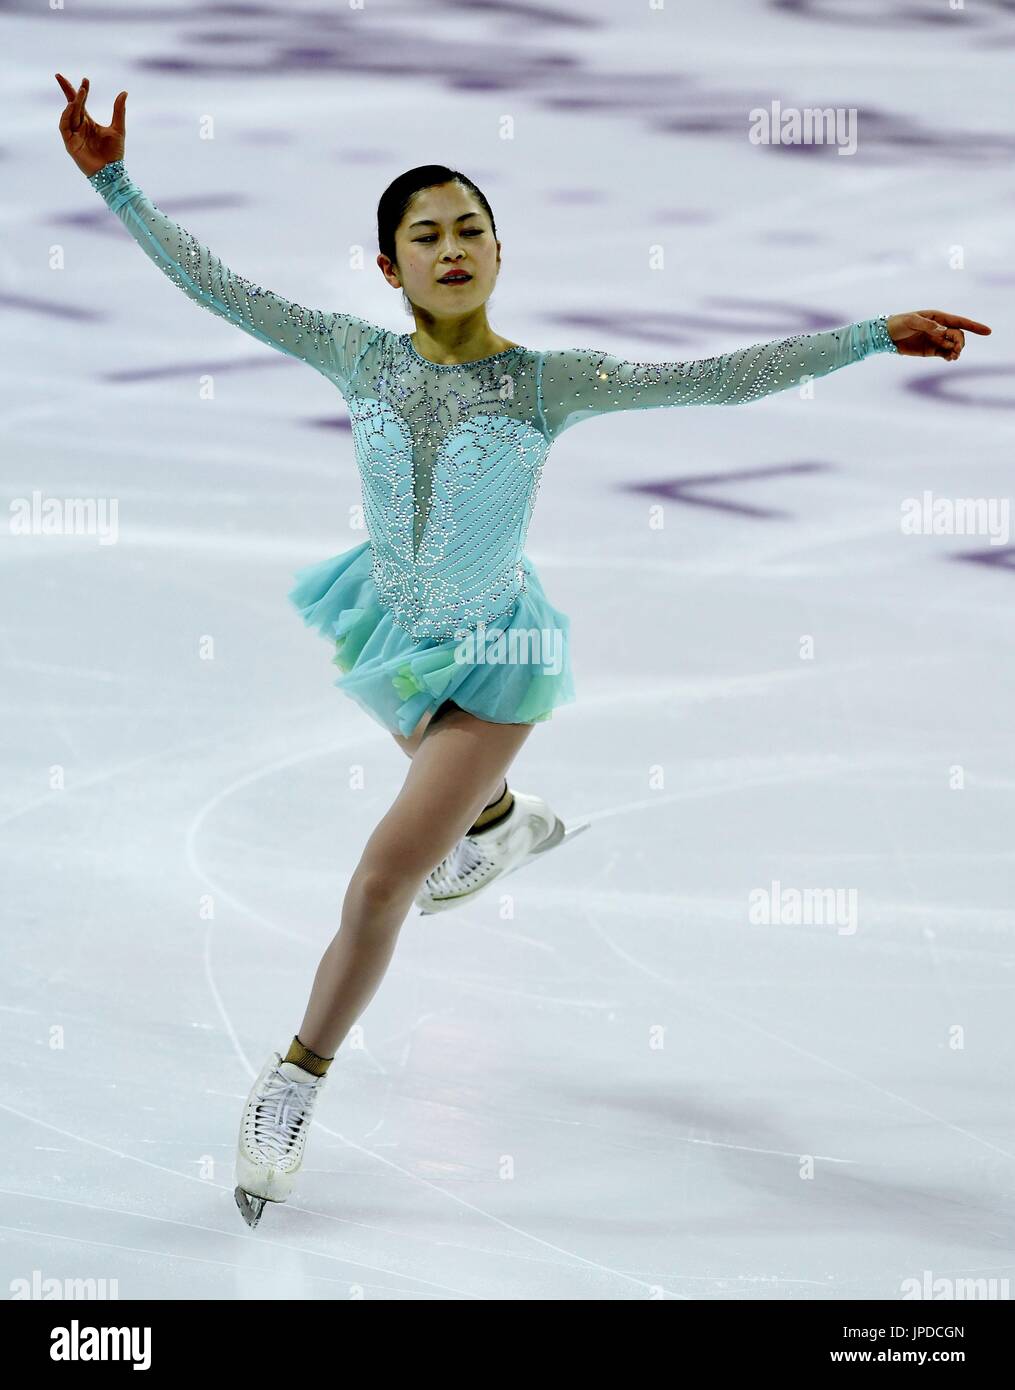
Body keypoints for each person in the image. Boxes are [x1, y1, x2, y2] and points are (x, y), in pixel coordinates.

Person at [56, 74, 991, 1227]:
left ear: (500, 251)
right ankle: (498, 824)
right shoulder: (355, 352)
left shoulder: (549, 383)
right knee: (438, 821)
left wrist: (869, 335)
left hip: (496, 653)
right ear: (387, 267)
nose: (451, 248)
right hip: (392, 627)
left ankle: (295, 1076)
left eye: (469, 230)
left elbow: (713, 378)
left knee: (384, 878)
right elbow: (220, 287)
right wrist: (114, 182)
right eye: (424, 235)